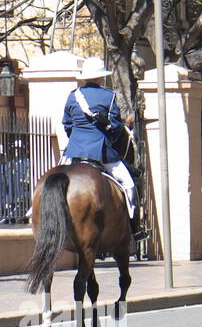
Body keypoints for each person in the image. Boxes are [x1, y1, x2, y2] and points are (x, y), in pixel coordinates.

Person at [61, 56, 146, 241]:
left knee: (53, 178)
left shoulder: (72, 95)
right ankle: (136, 229)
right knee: (129, 185)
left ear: (85, 77)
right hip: (100, 152)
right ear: (101, 78)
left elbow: (67, 125)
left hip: (73, 151)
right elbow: (115, 129)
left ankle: (33, 209)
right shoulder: (109, 96)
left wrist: (77, 141)